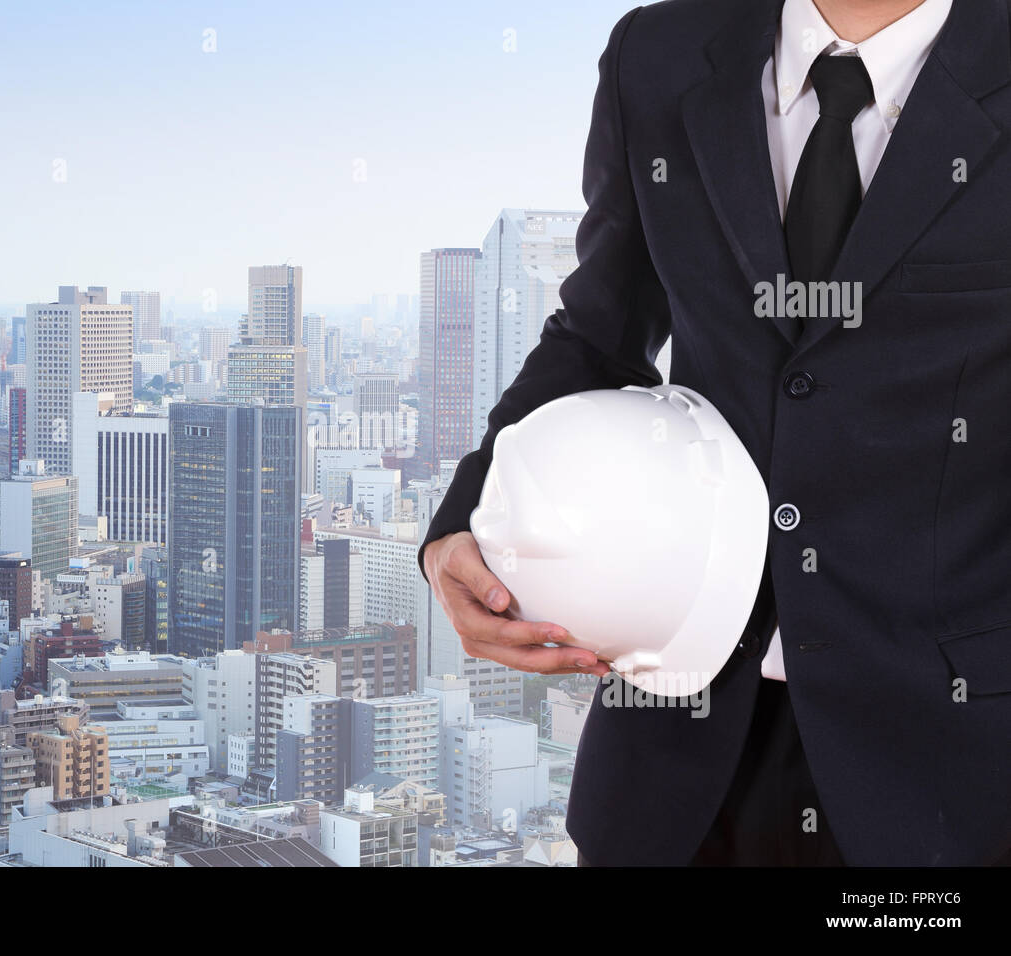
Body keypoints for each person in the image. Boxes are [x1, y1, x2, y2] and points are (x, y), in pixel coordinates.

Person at [420, 0, 1011, 865]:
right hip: (673, 756)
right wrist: (461, 522)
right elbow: (597, 337)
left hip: (950, 774)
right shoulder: (654, 55)